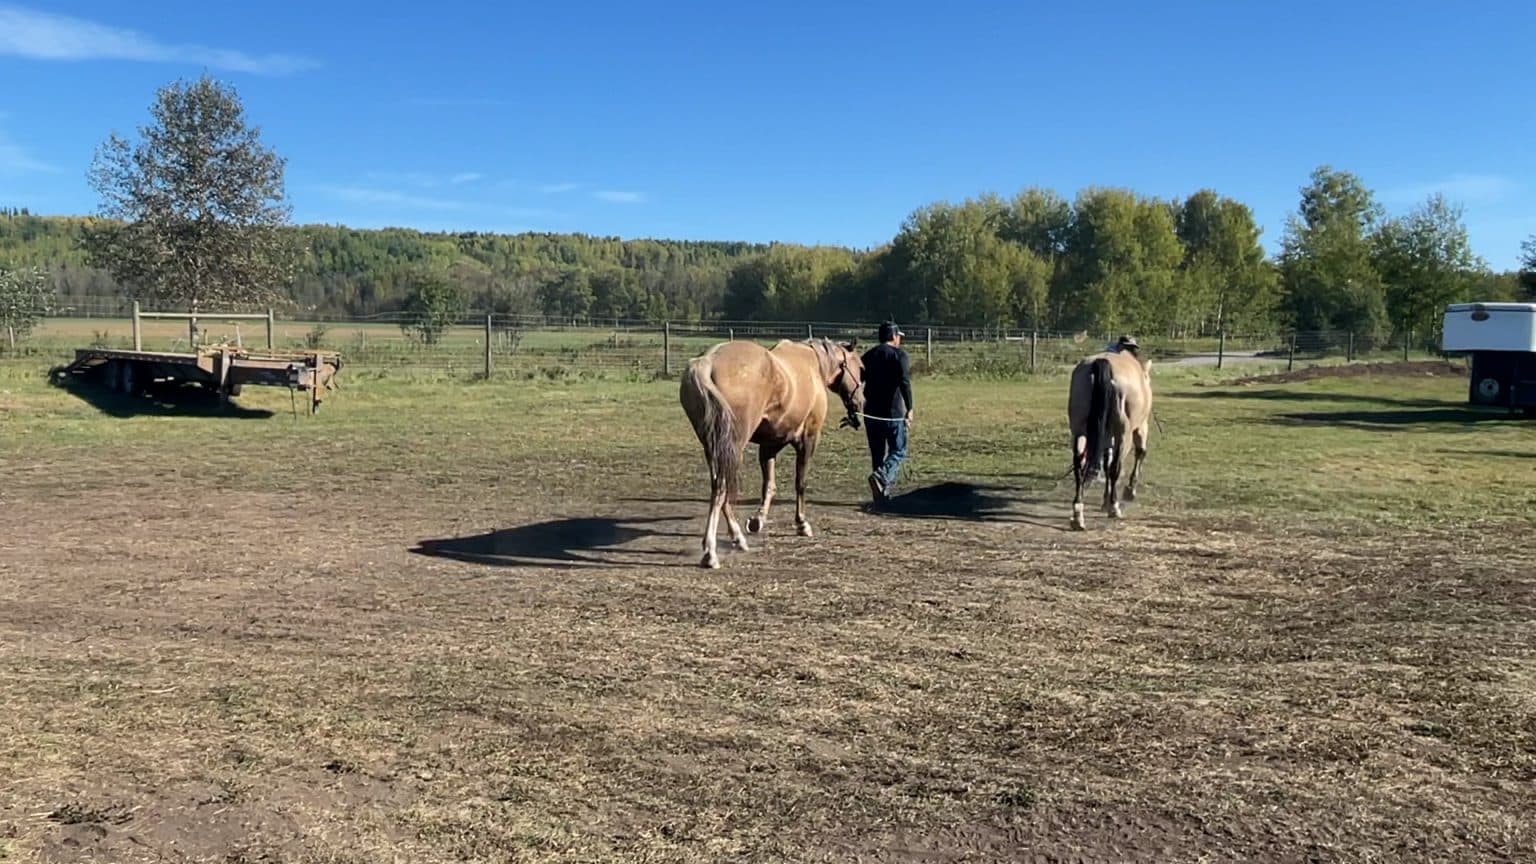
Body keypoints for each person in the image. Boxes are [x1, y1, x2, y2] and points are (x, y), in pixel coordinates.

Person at [860, 321, 913, 504]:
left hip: (871, 414)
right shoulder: (899, 356)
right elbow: (904, 383)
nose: (900, 340)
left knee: (877, 453)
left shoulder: (868, 356)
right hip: (893, 413)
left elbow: (856, 380)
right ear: (894, 336)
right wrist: (910, 408)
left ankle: (880, 495)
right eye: (899, 337)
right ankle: (882, 478)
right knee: (898, 450)